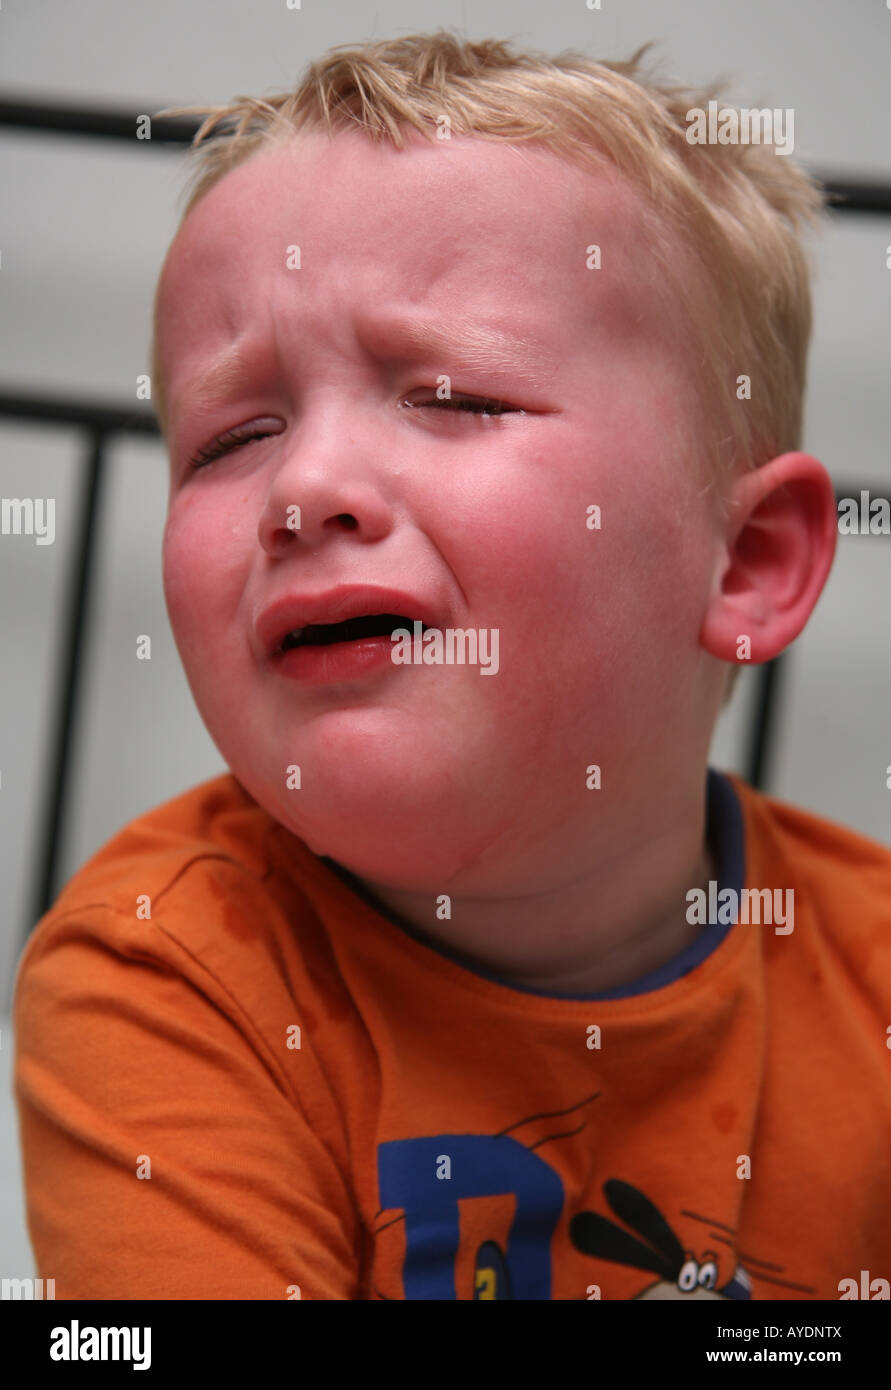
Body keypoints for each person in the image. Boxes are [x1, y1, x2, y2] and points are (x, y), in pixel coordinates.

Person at [13, 30, 890, 1301]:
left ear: (747, 559)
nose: (303, 490)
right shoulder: (165, 972)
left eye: (455, 396)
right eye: (229, 438)